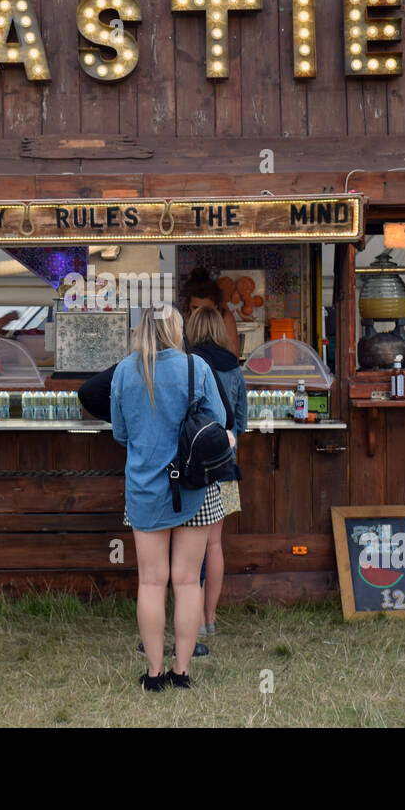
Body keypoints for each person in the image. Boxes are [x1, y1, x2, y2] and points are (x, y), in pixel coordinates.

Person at [111, 306, 229, 690]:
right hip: (193, 486)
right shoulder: (197, 368)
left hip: (145, 489)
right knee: (185, 582)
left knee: (150, 583)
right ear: (175, 329)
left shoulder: (125, 371)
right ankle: (182, 671)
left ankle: (154, 673)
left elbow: (121, 434)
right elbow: (218, 426)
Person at [185, 306, 249, 639]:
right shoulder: (234, 368)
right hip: (226, 465)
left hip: (195, 467)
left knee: (191, 547)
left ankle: (192, 619)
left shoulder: (187, 364)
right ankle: (210, 619)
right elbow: (243, 422)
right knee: (214, 544)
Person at [184, 266, 240, 357]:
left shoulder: (225, 317)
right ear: (188, 306)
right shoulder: (183, 317)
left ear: (216, 306)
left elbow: (234, 356)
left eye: (207, 309)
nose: (200, 314)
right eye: (195, 308)